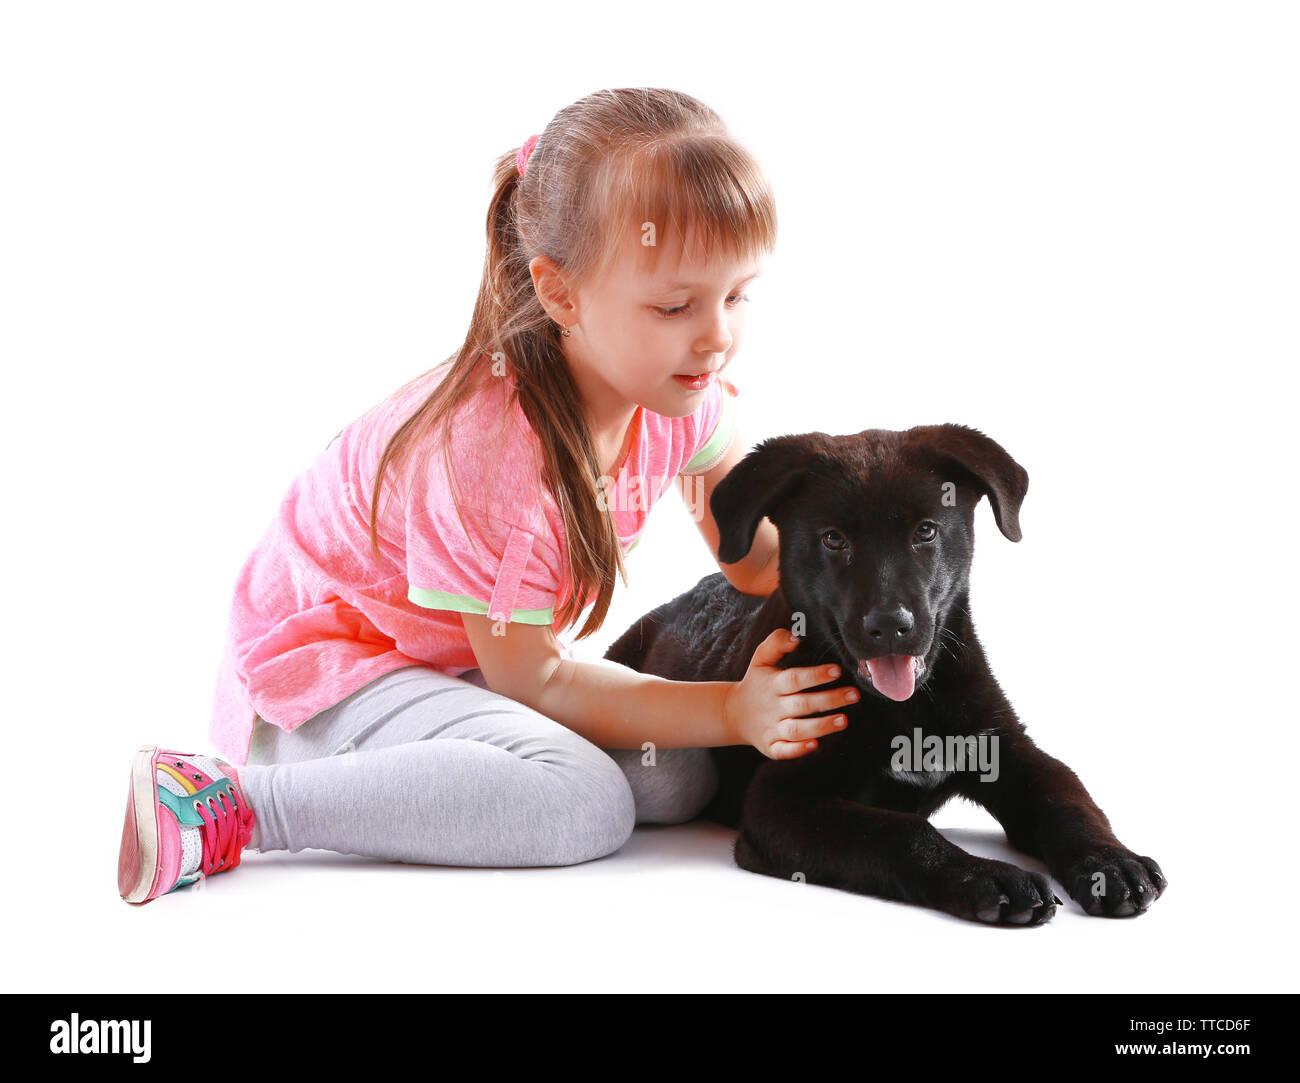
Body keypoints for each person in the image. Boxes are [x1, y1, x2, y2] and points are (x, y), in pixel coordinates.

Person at [118, 87, 859, 905]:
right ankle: (229, 802)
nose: (716, 334)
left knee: (672, 778)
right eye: (676, 305)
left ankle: (415, 775)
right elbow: (535, 680)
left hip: (454, 667)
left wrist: (861, 554)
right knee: (586, 802)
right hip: (328, 679)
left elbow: (754, 562)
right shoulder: (493, 459)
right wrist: (730, 707)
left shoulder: (681, 387)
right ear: (562, 294)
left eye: (736, 295)